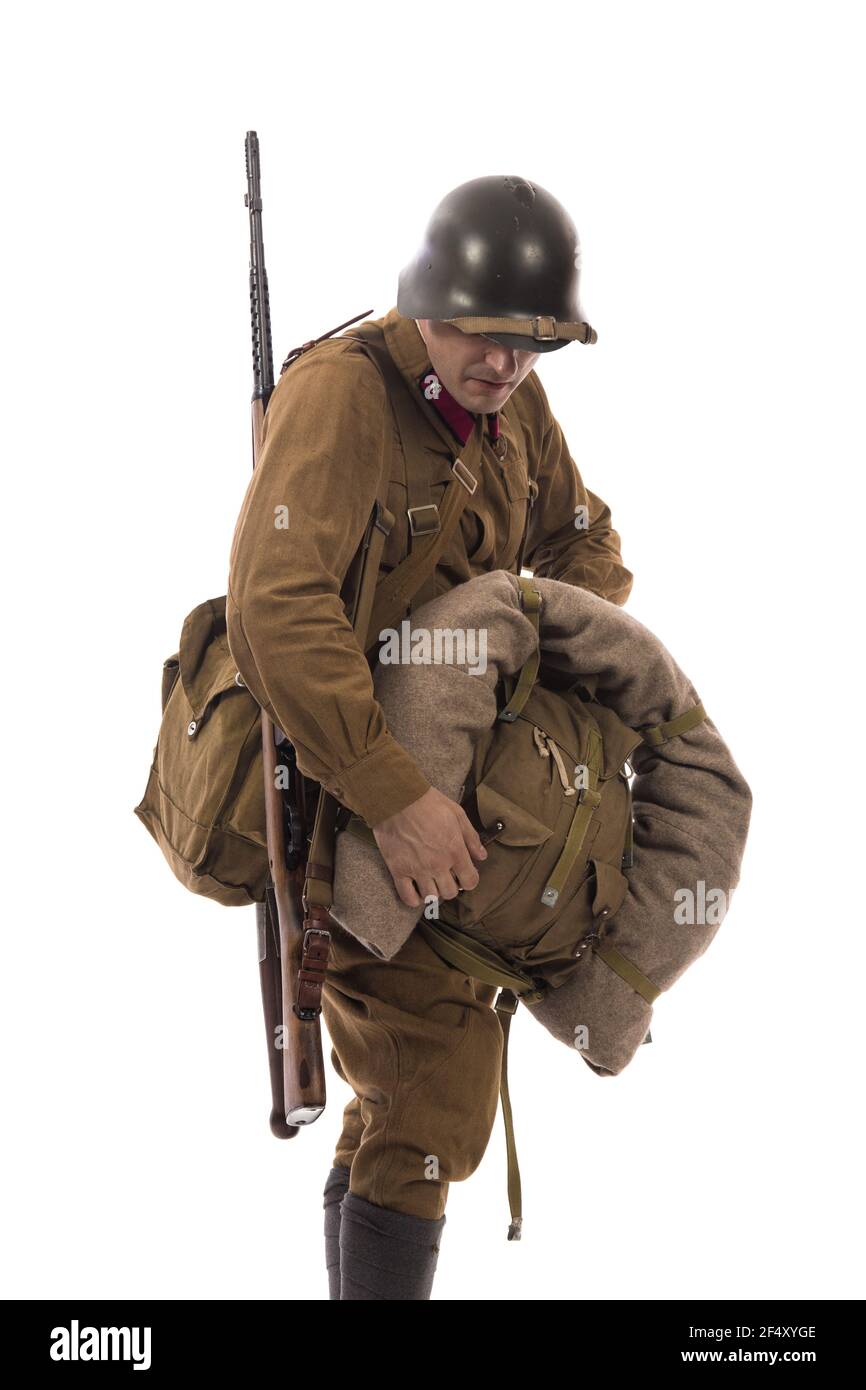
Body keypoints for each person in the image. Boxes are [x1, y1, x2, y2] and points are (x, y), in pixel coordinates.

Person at [226, 174, 633, 1299]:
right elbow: (278, 605)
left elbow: (582, 540)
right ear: (428, 300)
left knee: (397, 1103)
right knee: (426, 1097)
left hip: (464, 796)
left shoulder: (507, 407)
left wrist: (546, 670)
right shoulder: (343, 398)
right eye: (483, 336)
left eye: (529, 345)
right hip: (358, 807)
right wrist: (391, 793)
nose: (504, 365)